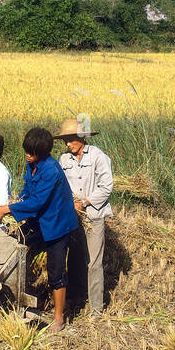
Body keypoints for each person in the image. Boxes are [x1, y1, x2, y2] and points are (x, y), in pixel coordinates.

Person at [0, 127, 77, 333]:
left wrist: (7, 209)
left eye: (31, 152)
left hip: (57, 224)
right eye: (26, 151)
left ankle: (58, 319)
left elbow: (38, 202)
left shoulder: (51, 170)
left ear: (41, 152)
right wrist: (18, 201)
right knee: (16, 245)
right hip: (40, 220)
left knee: (56, 271)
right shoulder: (33, 165)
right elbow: (27, 191)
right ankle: (13, 295)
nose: (27, 155)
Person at [55, 118, 114, 314]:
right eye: (66, 140)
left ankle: (96, 308)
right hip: (73, 217)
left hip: (93, 216)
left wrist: (85, 202)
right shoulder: (64, 160)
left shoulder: (97, 157)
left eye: (71, 139)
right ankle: (75, 299)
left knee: (94, 263)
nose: (68, 144)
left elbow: (106, 187)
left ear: (82, 138)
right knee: (74, 258)